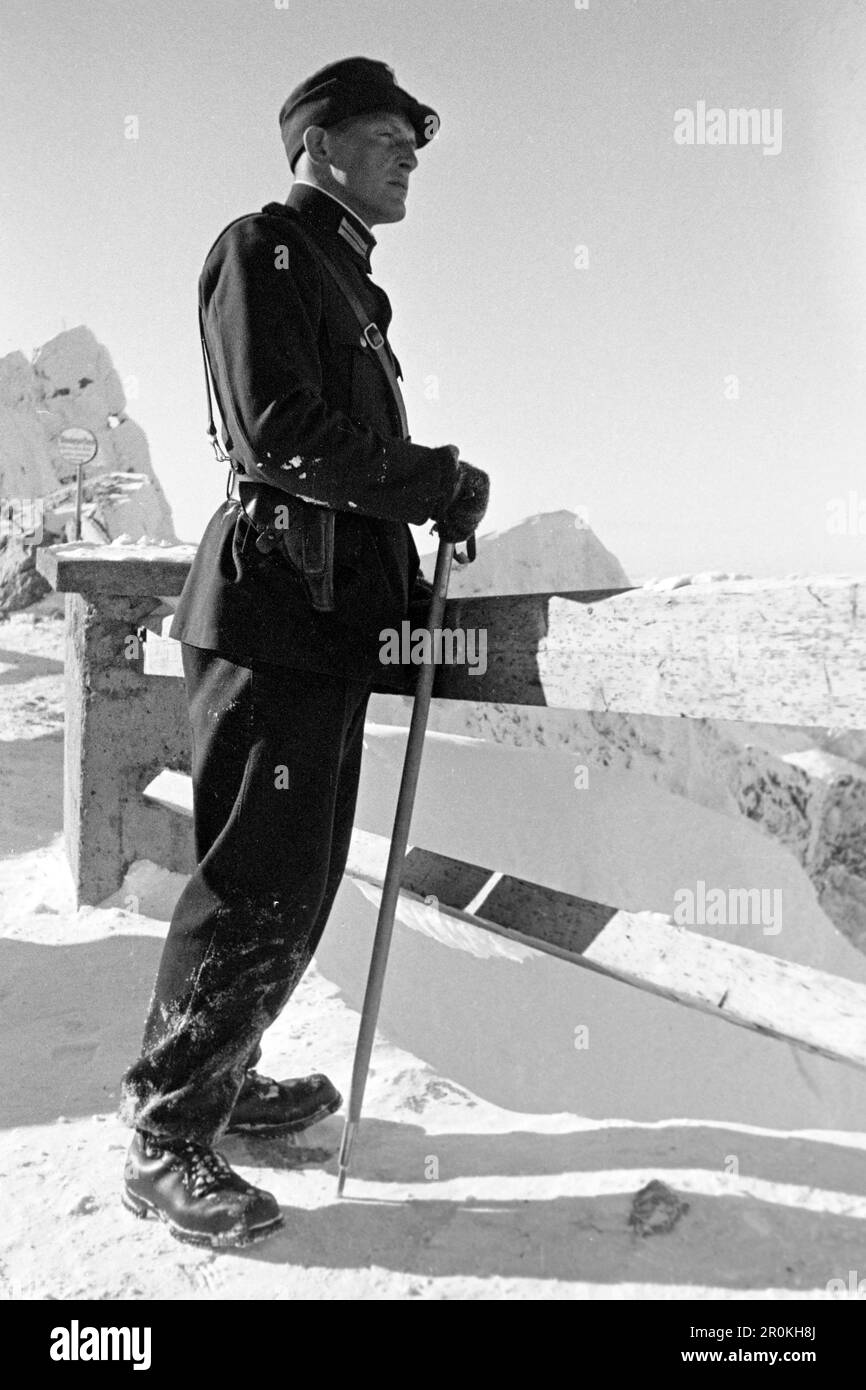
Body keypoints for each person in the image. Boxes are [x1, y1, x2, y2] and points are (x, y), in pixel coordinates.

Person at [118, 56, 490, 1249]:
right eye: (390, 135)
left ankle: (221, 1073)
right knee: (253, 875)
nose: (410, 156)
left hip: (317, 620)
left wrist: (415, 545)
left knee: (303, 869)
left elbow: (333, 458)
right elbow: (277, 433)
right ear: (321, 145)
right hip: (270, 612)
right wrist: (428, 474)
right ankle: (168, 1132)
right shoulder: (264, 250)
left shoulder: (343, 280)